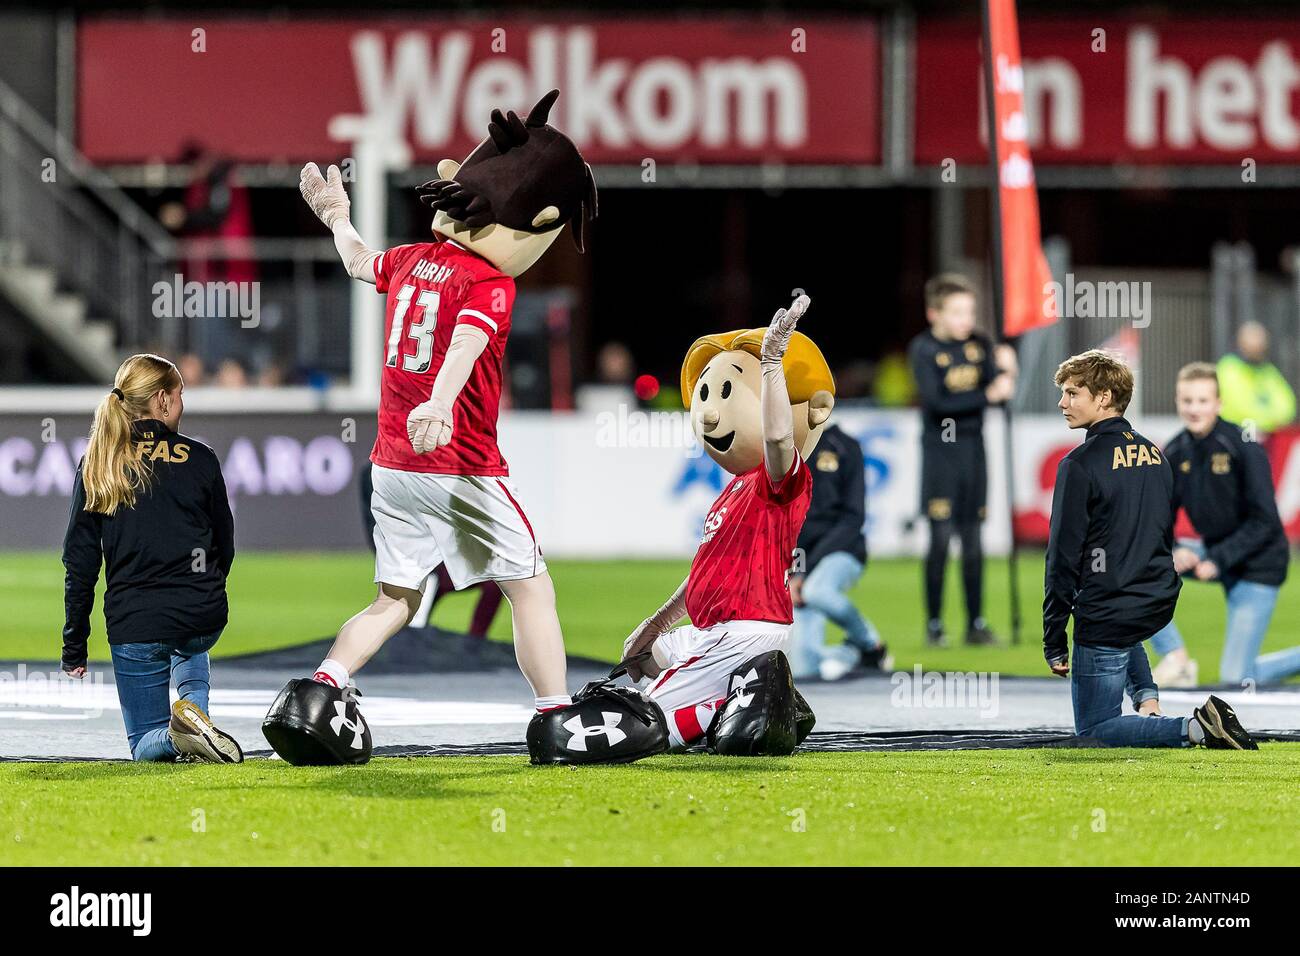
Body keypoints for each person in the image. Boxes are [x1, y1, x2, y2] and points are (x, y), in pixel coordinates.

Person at [276, 90, 598, 757]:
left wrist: (336, 216)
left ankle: (320, 689)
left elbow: (361, 263)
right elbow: (465, 344)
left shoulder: (412, 260)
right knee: (532, 589)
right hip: (458, 462)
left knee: (395, 599)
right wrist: (441, 403)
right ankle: (556, 716)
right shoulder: (490, 282)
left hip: (391, 464)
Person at [620, 295, 833, 750]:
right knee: (642, 655)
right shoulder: (734, 488)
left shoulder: (781, 480)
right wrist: (655, 624)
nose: (710, 412)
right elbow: (706, 571)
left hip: (746, 630)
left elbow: (777, 435)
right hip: (715, 630)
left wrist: (772, 361)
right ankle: (752, 700)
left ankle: (725, 708)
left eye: (727, 392)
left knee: (645, 726)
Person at [1044, 349, 1256, 749]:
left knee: (1095, 730)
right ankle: (1147, 698)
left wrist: (1053, 637)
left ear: (1103, 397)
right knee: (1123, 609)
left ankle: (1194, 728)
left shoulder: (1079, 463)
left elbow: (1062, 557)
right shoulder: (1157, 454)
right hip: (1153, 601)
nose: (1063, 403)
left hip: (1109, 615)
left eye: (1073, 393)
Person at [61, 353, 241, 763]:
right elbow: (224, 544)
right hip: (202, 615)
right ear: (161, 400)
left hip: (135, 623)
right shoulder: (201, 458)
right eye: (179, 396)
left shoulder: (99, 463)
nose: (181, 404)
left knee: (143, 745)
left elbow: (80, 563)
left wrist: (75, 644)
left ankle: (179, 737)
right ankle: (196, 711)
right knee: (188, 639)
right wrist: (206, 591)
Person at [1147, 363, 1298, 687]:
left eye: (1203, 401)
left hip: (1258, 563)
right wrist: (1173, 550)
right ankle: (1176, 658)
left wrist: (1218, 559)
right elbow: (1161, 519)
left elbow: (1266, 522)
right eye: (1187, 401)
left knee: (1236, 678)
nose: (1194, 409)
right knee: (1138, 566)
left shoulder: (1242, 444)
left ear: (1219, 403)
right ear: (1177, 401)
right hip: (1212, 552)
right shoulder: (1175, 450)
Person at [907, 273, 1017, 647]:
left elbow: (999, 388)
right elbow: (938, 403)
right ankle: (934, 624)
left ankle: (976, 624)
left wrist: (1006, 369)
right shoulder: (923, 349)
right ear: (933, 313)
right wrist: (989, 393)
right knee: (940, 541)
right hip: (941, 455)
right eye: (956, 312)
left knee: (973, 541)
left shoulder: (980, 344)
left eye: (969, 311)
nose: (965, 319)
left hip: (974, 452)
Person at [788, 423, 890, 681]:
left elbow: (853, 519)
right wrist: (793, 571)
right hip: (801, 563)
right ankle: (850, 656)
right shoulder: (788, 448)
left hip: (844, 550)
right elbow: (787, 520)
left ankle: (871, 644)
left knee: (817, 591)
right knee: (803, 669)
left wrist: (805, 572)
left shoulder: (846, 446)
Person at [1216, 321, 1296, 440]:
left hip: (1267, 438)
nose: (1257, 347)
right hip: (1235, 436)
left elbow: (1287, 404)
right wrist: (1270, 420)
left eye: (1260, 343)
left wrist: (1269, 421)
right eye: (1252, 342)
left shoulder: (1267, 370)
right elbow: (1237, 405)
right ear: (1241, 343)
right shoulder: (1229, 368)